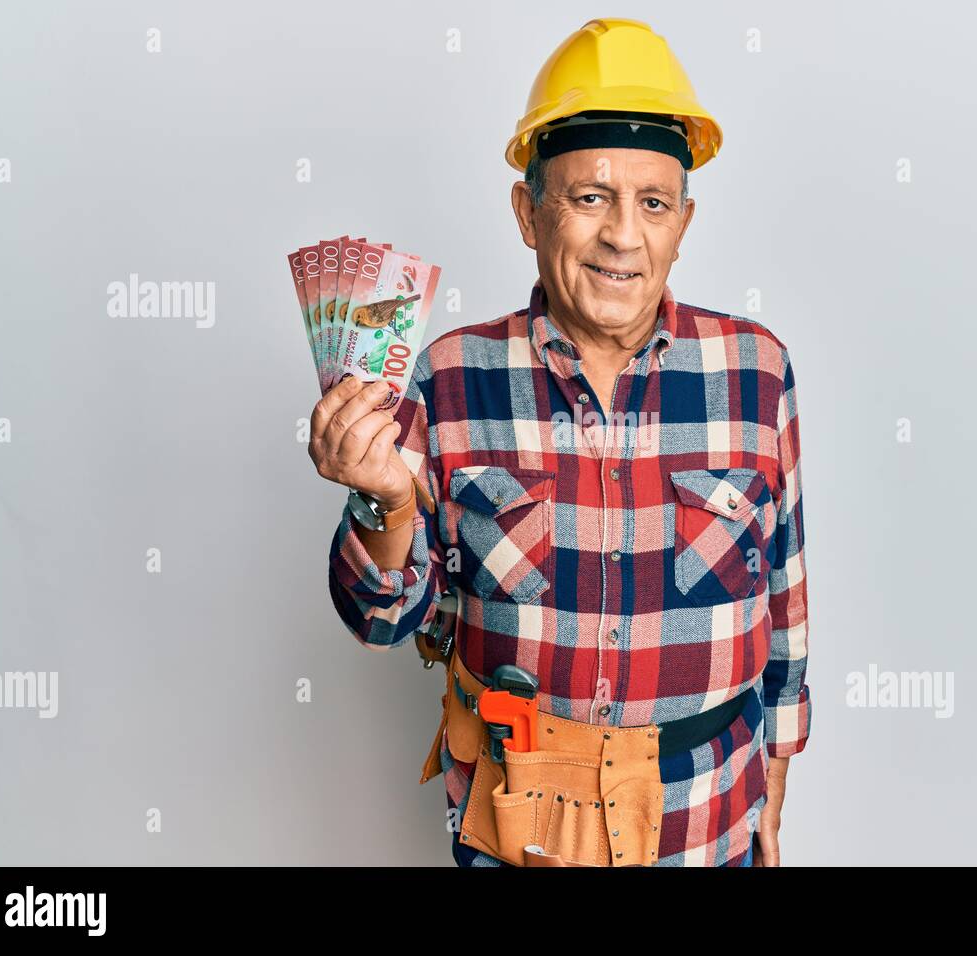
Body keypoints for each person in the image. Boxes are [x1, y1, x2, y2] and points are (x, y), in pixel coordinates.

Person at [308, 18, 811, 867]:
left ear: (683, 222)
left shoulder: (756, 369)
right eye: (589, 197)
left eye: (653, 203)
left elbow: (786, 592)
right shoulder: (448, 376)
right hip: (518, 830)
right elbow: (386, 620)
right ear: (527, 213)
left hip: (706, 822)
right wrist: (380, 501)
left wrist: (779, 773)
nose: (623, 234)